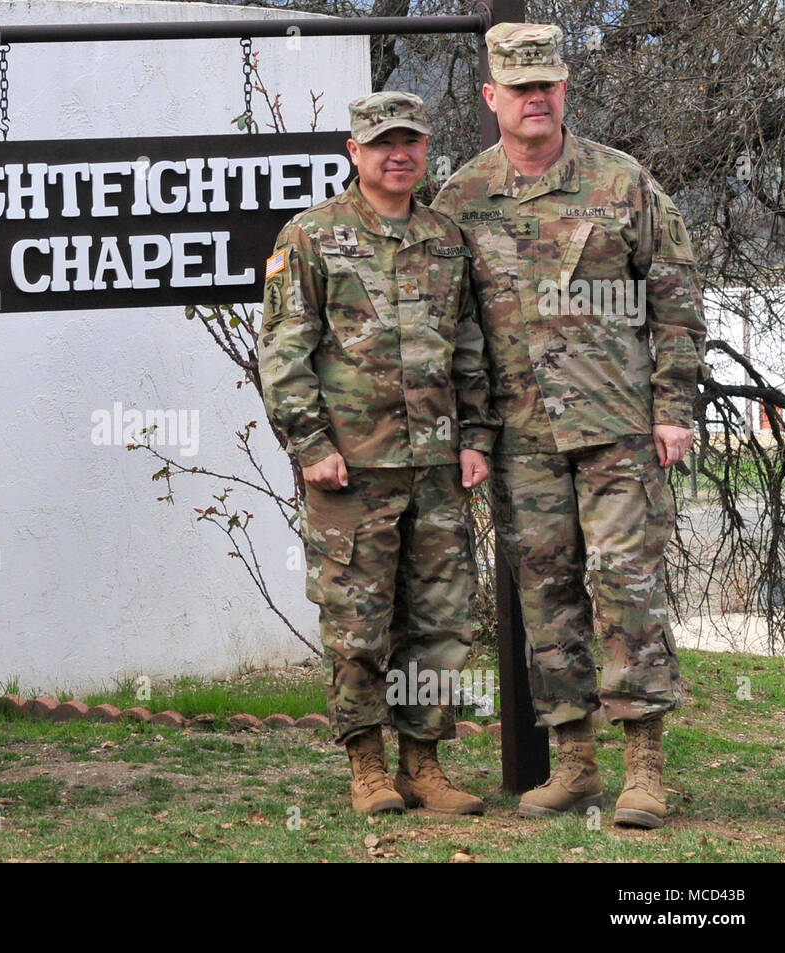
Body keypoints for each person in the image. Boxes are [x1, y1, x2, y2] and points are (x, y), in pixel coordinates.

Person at [432, 23, 707, 828]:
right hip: (523, 441)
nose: (536, 99)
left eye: (547, 85)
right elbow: (455, 329)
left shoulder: (623, 184)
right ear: (492, 98)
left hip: (617, 428)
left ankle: (645, 768)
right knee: (547, 601)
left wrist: (674, 409)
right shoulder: (462, 198)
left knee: (625, 588)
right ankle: (576, 763)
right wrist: (471, 434)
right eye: (520, 89)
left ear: (564, 91)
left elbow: (677, 298)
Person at [259, 92, 500, 816]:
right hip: (351, 470)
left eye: (411, 141)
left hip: (435, 470)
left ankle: (423, 764)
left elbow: (469, 349)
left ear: (425, 150)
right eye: (383, 142)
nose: (399, 153)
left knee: (439, 623)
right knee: (357, 625)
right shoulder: (311, 237)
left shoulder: (446, 238)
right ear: (354, 151)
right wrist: (310, 444)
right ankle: (367, 766)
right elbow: (282, 352)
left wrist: (475, 438)